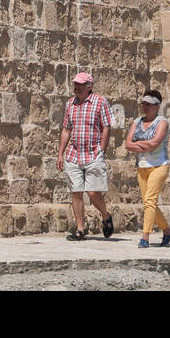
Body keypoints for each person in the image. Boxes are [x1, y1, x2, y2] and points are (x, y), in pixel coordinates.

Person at [56, 72, 115, 241]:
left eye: (80, 84)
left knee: (93, 192)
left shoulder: (100, 102)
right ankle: (80, 230)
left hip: (93, 154)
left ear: (89, 87)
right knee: (76, 192)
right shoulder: (70, 104)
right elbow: (66, 129)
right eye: (75, 84)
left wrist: (101, 150)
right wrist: (60, 153)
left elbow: (106, 127)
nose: (76, 87)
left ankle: (105, 216)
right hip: (74, 155)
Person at [125, 88, 170, 248]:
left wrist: (137, 145)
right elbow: (128, 144)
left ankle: (145, 237)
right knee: (149, 203)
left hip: (159, 166)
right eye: (144, 104)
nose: (145, 107)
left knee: (149, 201)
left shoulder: (162, 122)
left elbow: (155, 143)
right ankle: (167, 232)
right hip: (142, 167)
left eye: (149, 104)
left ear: (158, 106)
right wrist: (144, 146)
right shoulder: (137, 122)